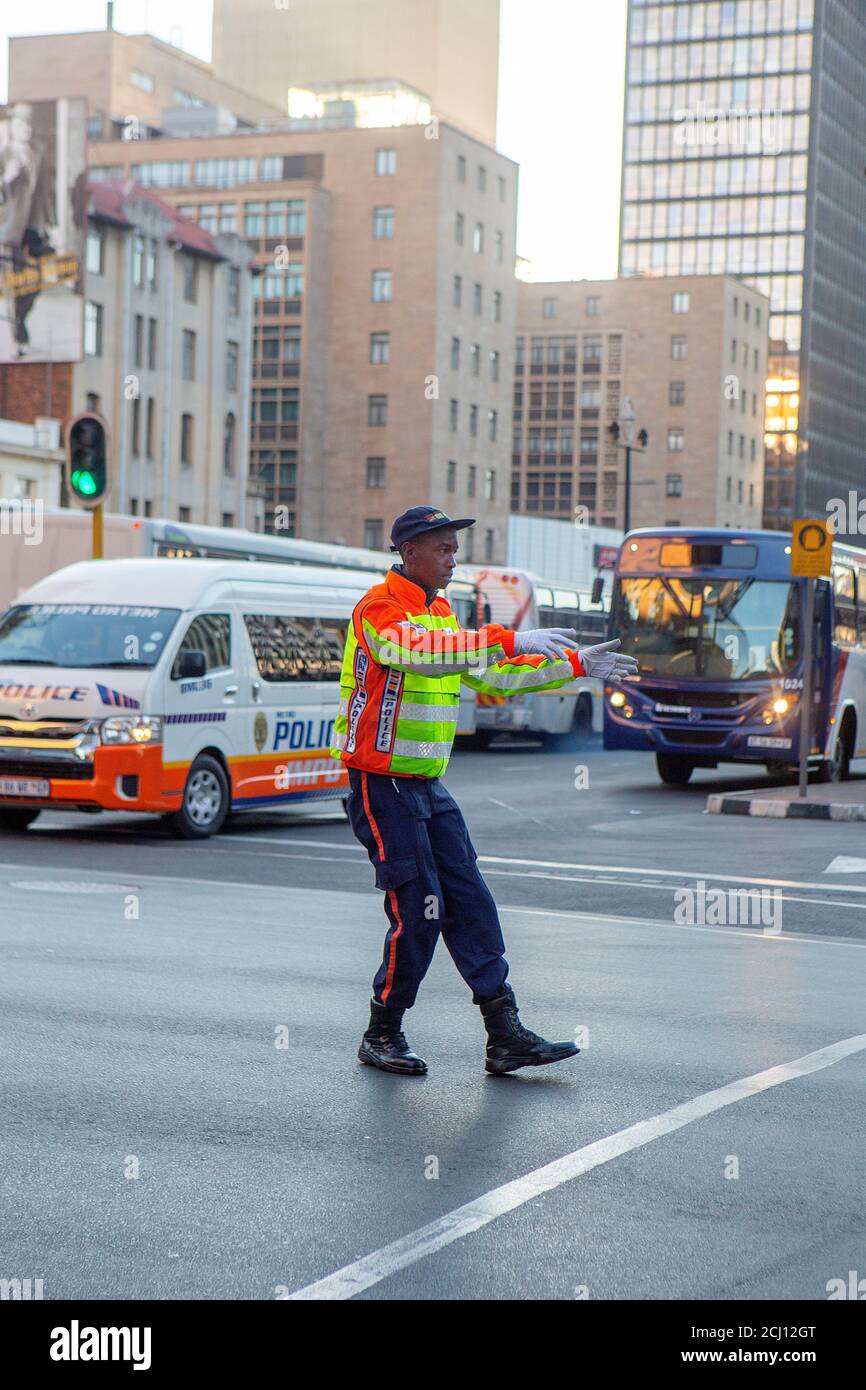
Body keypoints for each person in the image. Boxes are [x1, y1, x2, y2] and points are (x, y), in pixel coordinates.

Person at [330, 507, 638, 1077]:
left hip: (425, 785)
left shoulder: (440, 612)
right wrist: (510, 634)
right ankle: (382, 1032)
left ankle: (504, 1032)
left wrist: (575, 664)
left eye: (454, 548)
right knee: (419, 911)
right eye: (444, 548)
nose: (453, 558)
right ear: (410, 551)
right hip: (380, 782)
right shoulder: (380, 610)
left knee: (470, 900)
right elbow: (416, 651)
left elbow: (493, 674)